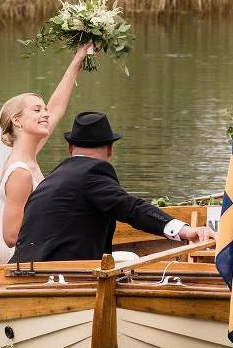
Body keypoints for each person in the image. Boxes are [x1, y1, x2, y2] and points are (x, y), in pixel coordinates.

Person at [11, 111, 210, 263]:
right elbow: (131, 208)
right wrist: (184, 231)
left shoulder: (54, 178)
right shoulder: (92, 173)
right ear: (110, 149)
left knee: (127, 257)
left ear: (70, 148)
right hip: (63, 275)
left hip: (21, 269)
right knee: (131, 260)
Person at [0, 44, 94, 262]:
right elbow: (11, 235)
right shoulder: (20, 172)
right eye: (37, 110)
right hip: (31, 262)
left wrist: (77, 62)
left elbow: (57, 107)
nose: (45, 114)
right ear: (17, 120)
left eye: (44, 109)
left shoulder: (26, 155)